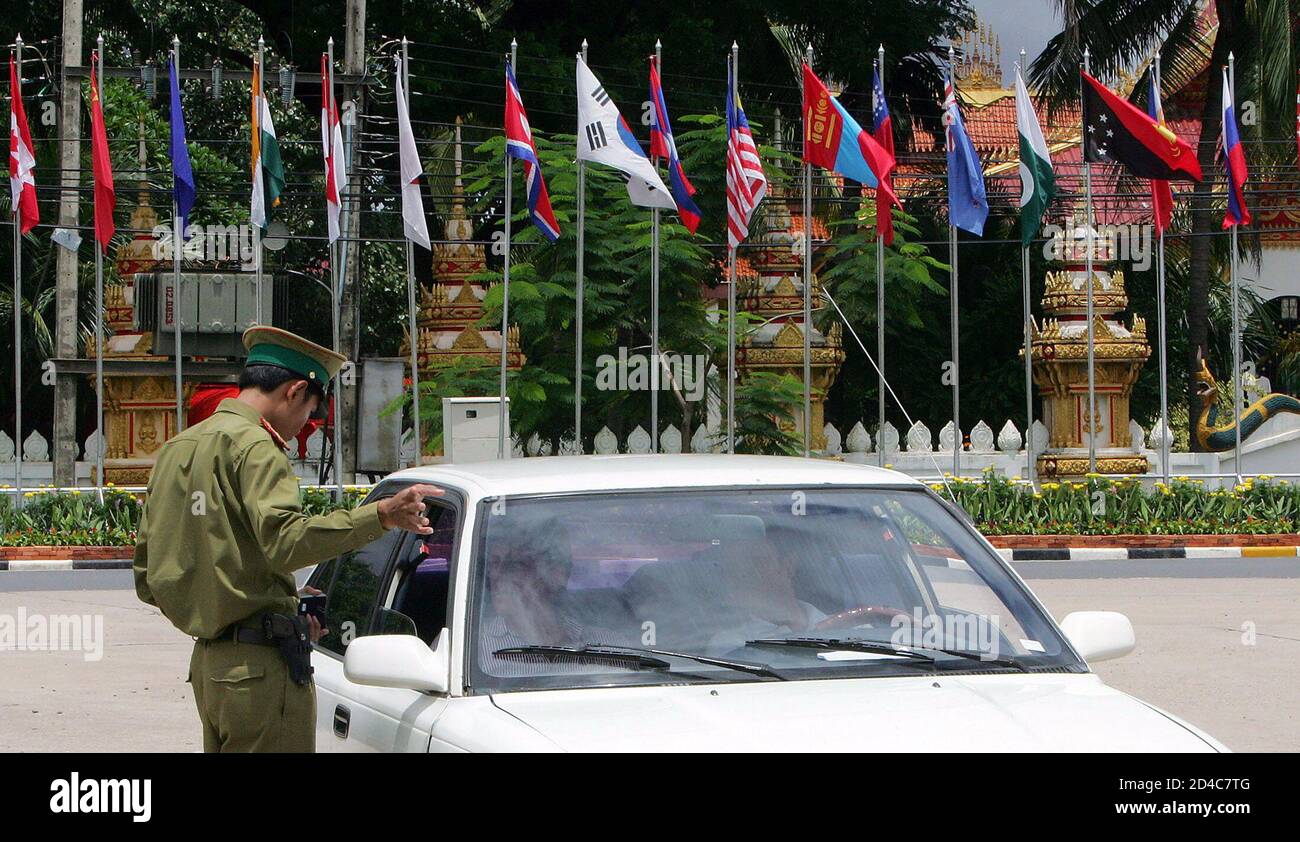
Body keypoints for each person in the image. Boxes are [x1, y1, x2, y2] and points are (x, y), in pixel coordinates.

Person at [134, 326, 441, 752]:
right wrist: (382, 515)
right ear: (295, 391)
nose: (305, 426)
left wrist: (259, 601)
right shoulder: (256, 449)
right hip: (260, 674)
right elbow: (286, 542)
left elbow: (149, 578)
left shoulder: (176, 450)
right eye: (310, 413)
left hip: (210, 670)